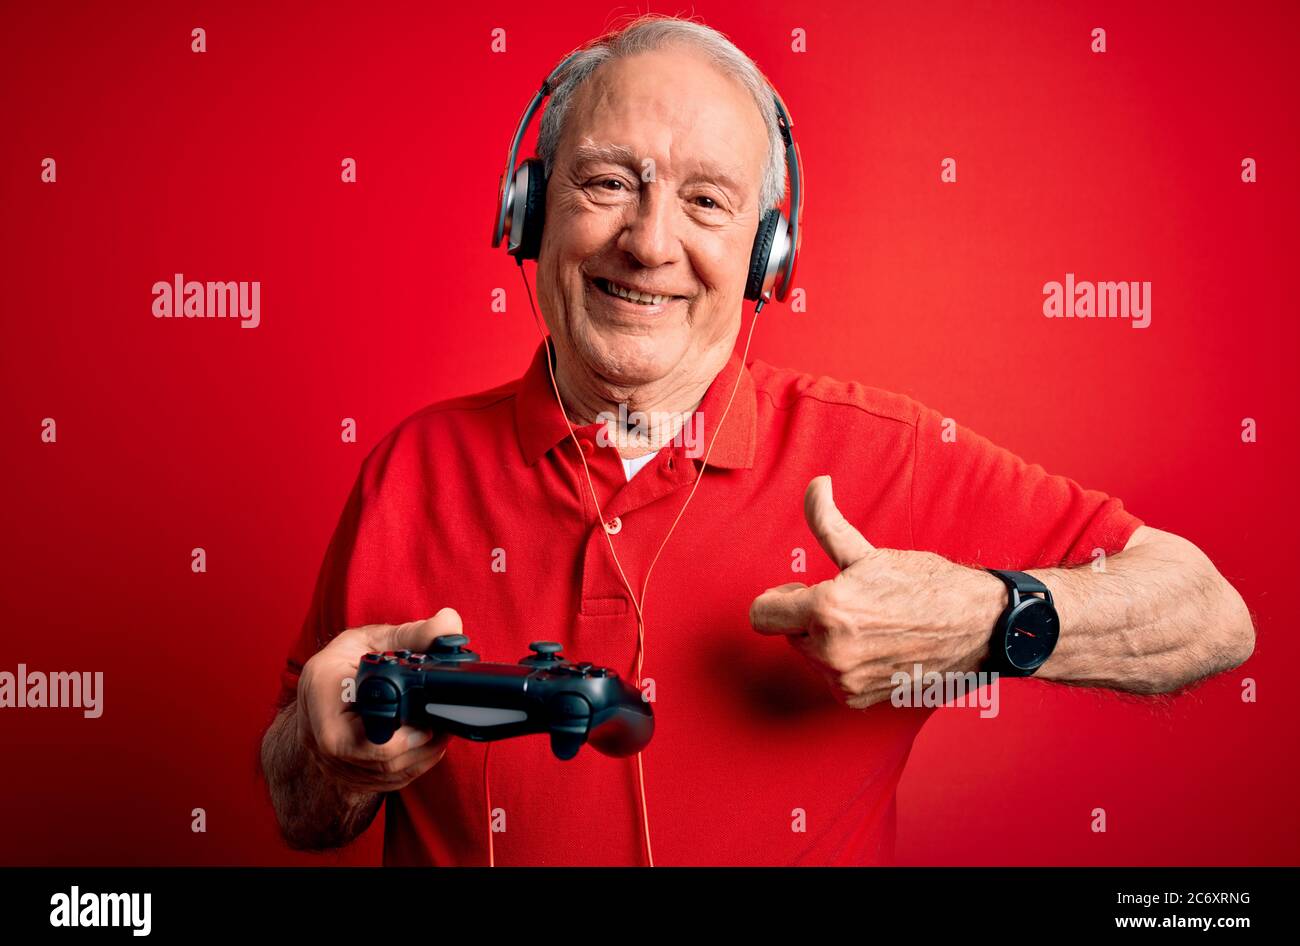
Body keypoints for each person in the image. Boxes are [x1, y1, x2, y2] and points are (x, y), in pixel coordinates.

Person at [259, 15, 1254, 865]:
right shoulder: (407, 469)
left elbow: (1209, 610)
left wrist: (986, 617)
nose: (648, 243)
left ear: (765, 255)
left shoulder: (883, 454)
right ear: (528, 211)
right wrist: (326, 754)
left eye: (705, 201)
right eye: (607, 181)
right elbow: (300, 807)